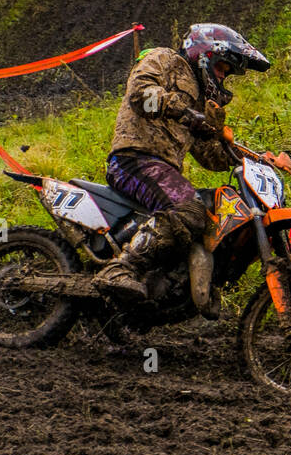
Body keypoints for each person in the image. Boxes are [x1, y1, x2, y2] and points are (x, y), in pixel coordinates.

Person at [93, 23, 272, 301]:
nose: (223, 78)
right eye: (222, 69)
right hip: (133, 160)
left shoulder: (199, 102)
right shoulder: (165, 59)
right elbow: (141, 94)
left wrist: (256, 159)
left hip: (161, 170)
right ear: (206, 55)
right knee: (189, 208)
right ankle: (119, 269)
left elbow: (209, 156)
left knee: (213, 212)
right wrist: (185, 112)